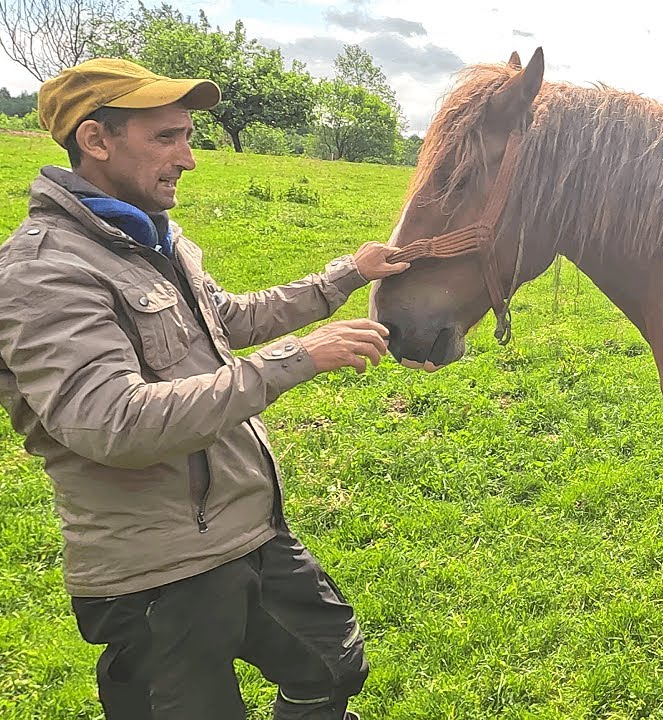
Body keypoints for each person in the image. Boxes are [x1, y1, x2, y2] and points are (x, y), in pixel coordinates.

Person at [0, 58, 410, 719]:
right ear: (95, 141)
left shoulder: (155, 237)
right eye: (167, 137)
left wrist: (346, 276)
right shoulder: (45, 272)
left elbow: (225, 317)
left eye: (188, 136)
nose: (188, 158)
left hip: (247, 530)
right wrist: (294, 360)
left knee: (331, 661)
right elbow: (112, 421)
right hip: (158, 573)